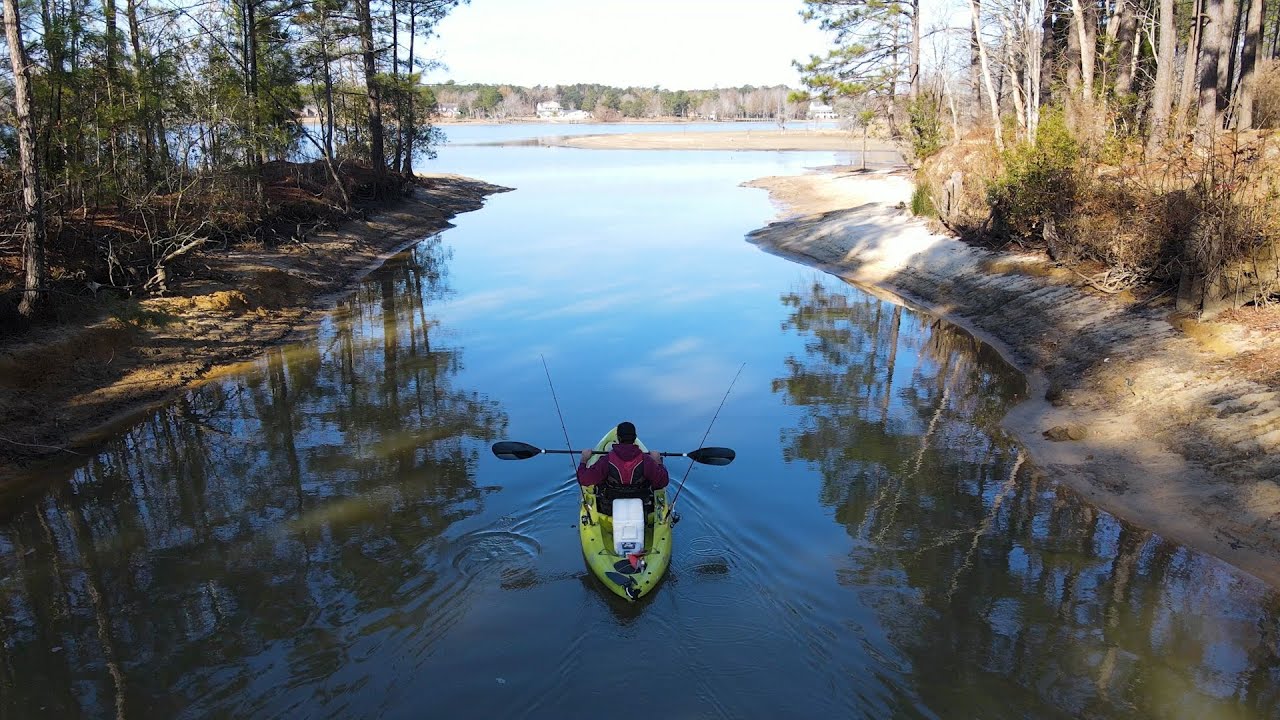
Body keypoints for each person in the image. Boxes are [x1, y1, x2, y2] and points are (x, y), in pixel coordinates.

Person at [577, 421, 669, 516]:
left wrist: (584, 460)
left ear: (618, 438)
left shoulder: (606, 460)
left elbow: (583, 479)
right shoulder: (646, 460)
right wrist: (658, 462)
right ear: (634, 438)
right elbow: (663, 481)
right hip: (642, 506)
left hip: (609, 509)